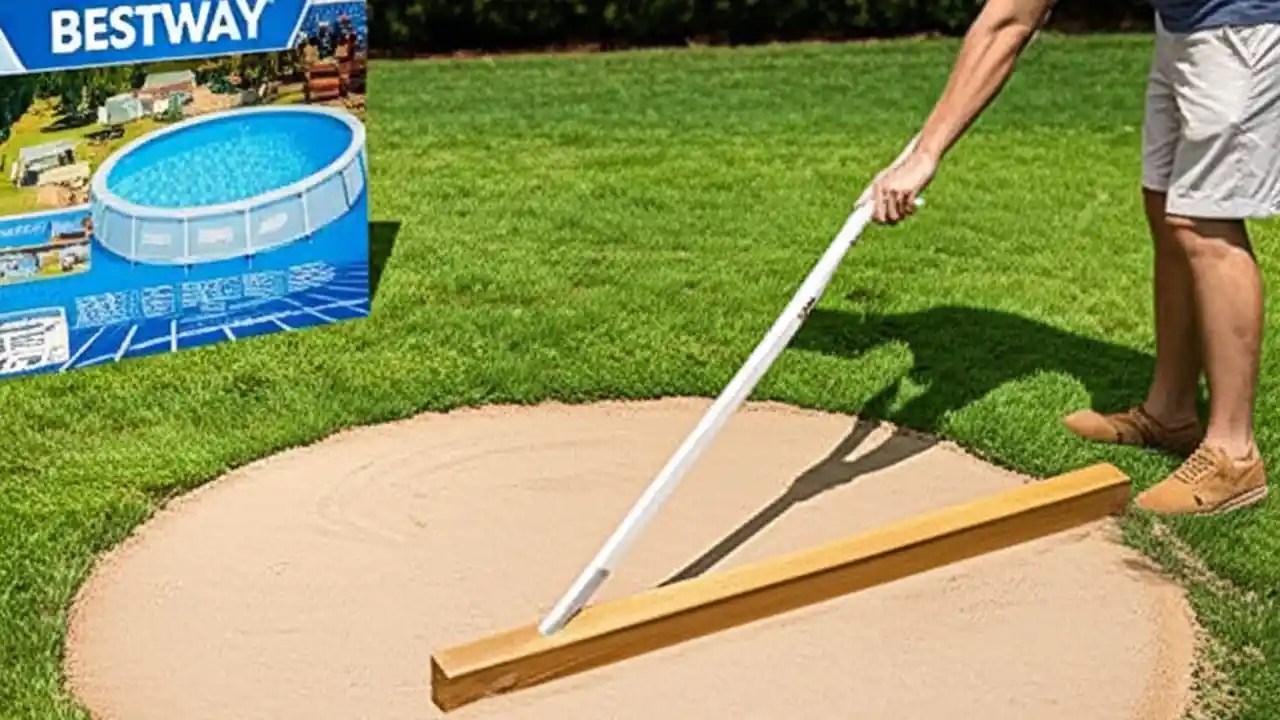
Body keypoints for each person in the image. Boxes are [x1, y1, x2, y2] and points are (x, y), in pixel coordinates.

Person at [869, 0, 1278, 516]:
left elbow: (1008, 23)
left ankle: (1233, 455)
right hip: (1183, 23)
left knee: (1204, 223)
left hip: (1241, 28)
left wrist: (925, 155)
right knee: (1165, 202)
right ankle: (1170, 411)